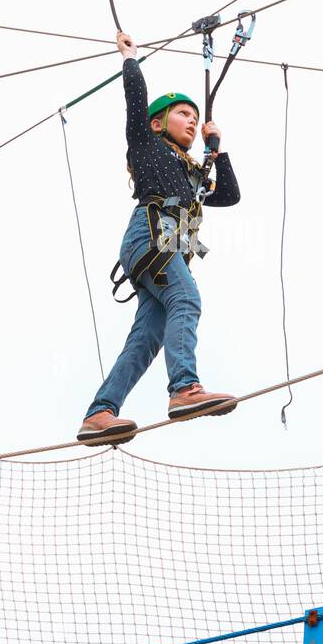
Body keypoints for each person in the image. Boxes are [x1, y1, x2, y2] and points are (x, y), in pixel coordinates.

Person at [76, 30, 242, 446]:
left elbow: (230, 195)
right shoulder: (148, 147)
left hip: (165, 250)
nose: (190, 119)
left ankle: (100, 411)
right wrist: (131, 61)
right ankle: (184, 389)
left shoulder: (192, 174)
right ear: (157, 123)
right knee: (187, 299)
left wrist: (217, 151)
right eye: (182, 113)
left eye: (193, 115)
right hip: (150, 241)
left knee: (146, 339)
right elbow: (135, 105)